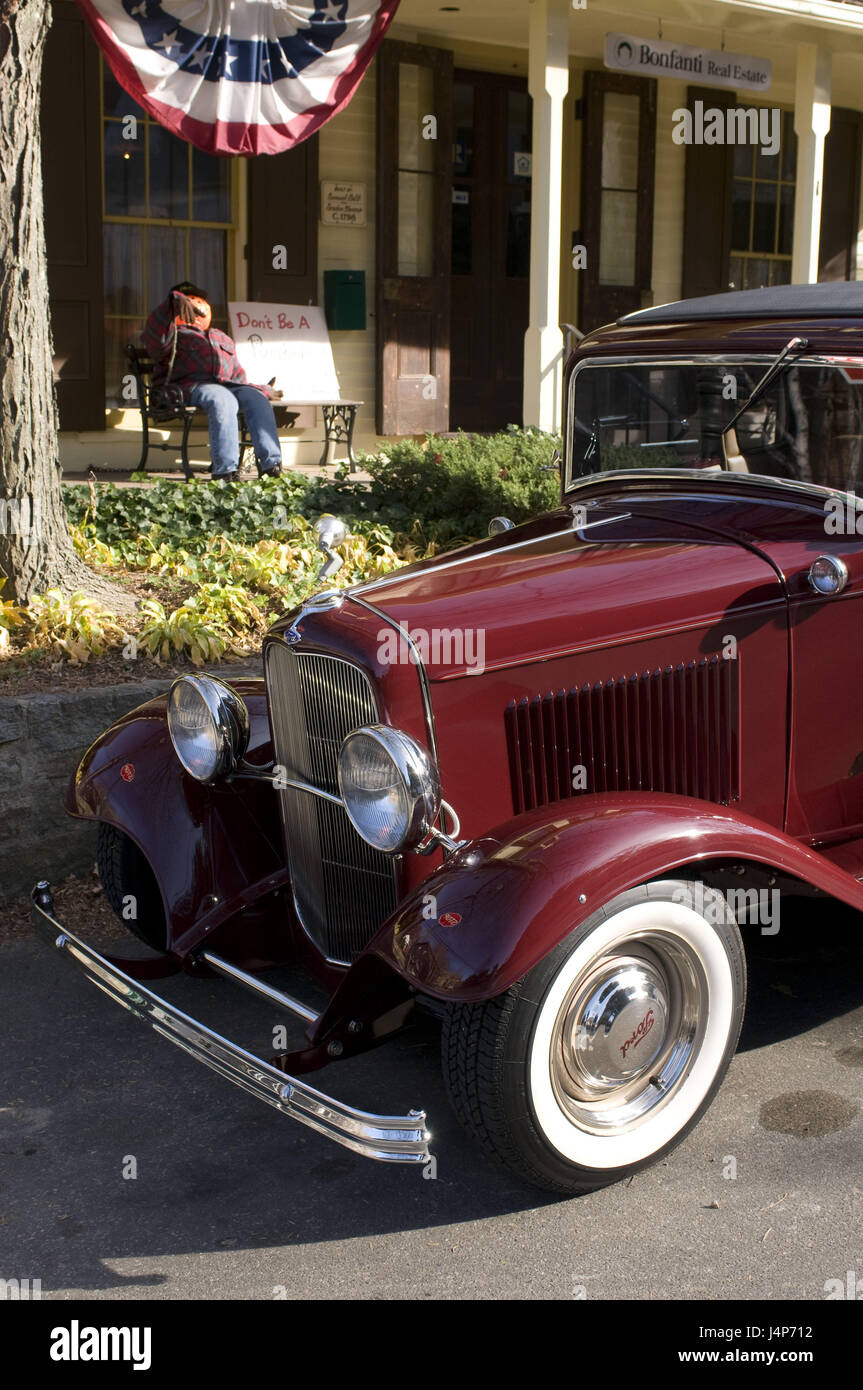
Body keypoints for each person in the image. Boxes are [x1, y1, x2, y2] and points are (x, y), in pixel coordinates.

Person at [142, 282, 284, 481]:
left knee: (255, 398)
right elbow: (153, 330)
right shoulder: (170, 335)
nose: (196, 304)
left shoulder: (221, 337)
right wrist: (173, 301)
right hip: (187, 386)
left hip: (225, 385)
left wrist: (263, 389)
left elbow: (237, 378)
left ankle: (272, 466)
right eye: (189, 300)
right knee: (222, 398)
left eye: (200, 300)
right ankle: (225, 471)